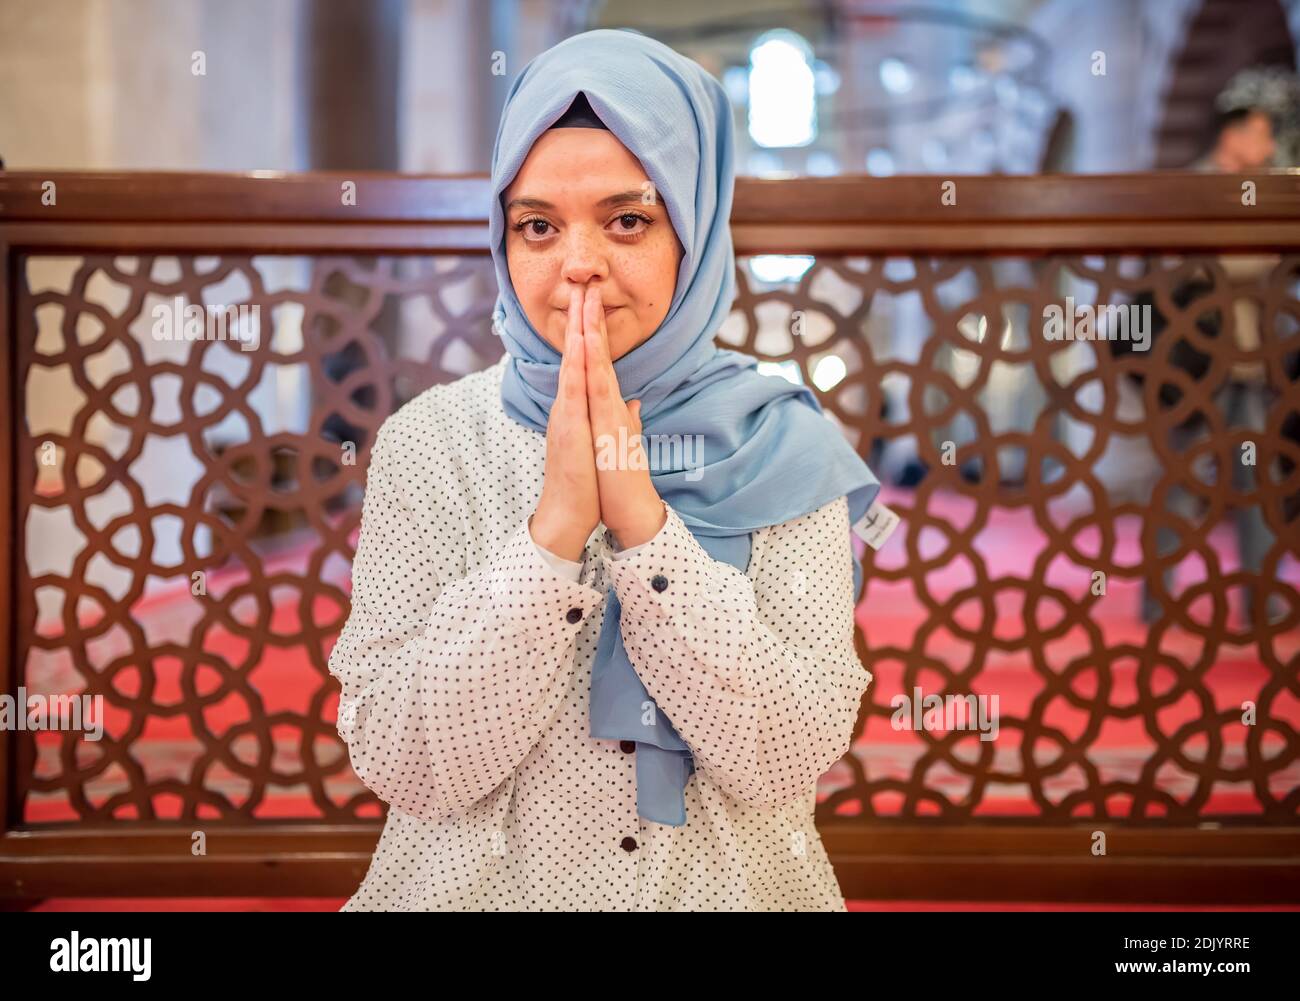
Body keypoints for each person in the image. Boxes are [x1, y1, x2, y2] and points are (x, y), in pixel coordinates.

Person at [327, 28, 883, 911]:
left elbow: (784, 754)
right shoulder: (432, 441)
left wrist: (646, 529)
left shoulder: (779, 447)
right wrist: (552, 534)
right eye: (537, 226)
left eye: (627, 220)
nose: (578, 264)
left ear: (693, 231)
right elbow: (406, 763)